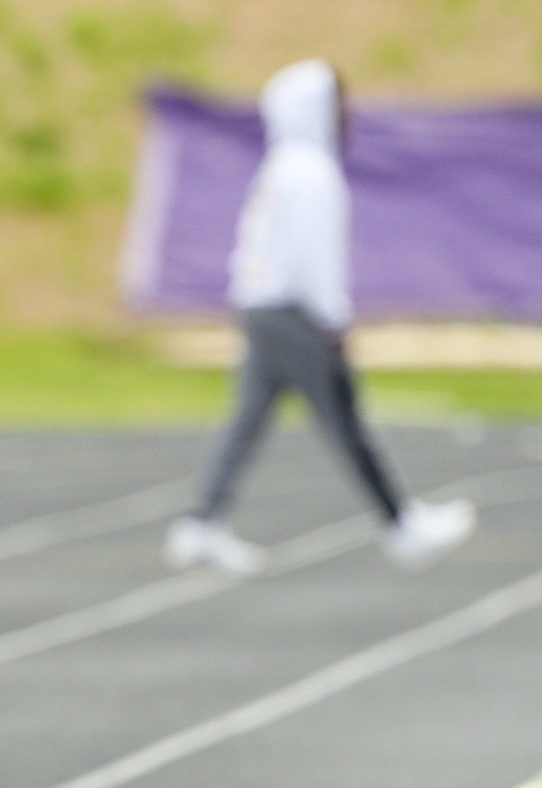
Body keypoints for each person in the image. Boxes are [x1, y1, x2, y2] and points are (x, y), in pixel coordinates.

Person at [166, 59, 473, 574]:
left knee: (249, 418)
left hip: (261, 303)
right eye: (338, 104)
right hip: (291, 310)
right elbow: (316, 255)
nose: (347, 116)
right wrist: (333, 318)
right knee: (344, 418)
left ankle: (202, 523)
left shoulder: (282, 165)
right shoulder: (311, 172)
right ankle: (401, 525)